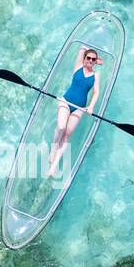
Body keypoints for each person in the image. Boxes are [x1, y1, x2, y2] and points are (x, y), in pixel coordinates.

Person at [46, 46, 102, 177]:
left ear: (95, 62)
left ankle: (53, 167)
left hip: (80, 108)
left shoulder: (96, 75)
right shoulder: (78, 66)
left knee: (66, 135)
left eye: (93, 59)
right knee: (61, 127)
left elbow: (96, 93)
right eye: (88, 58)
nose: (91, 61)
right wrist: (91, 55)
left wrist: (91, 106)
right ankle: (53, 149)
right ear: (84, 59)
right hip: (66, 101)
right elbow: (82, 49)